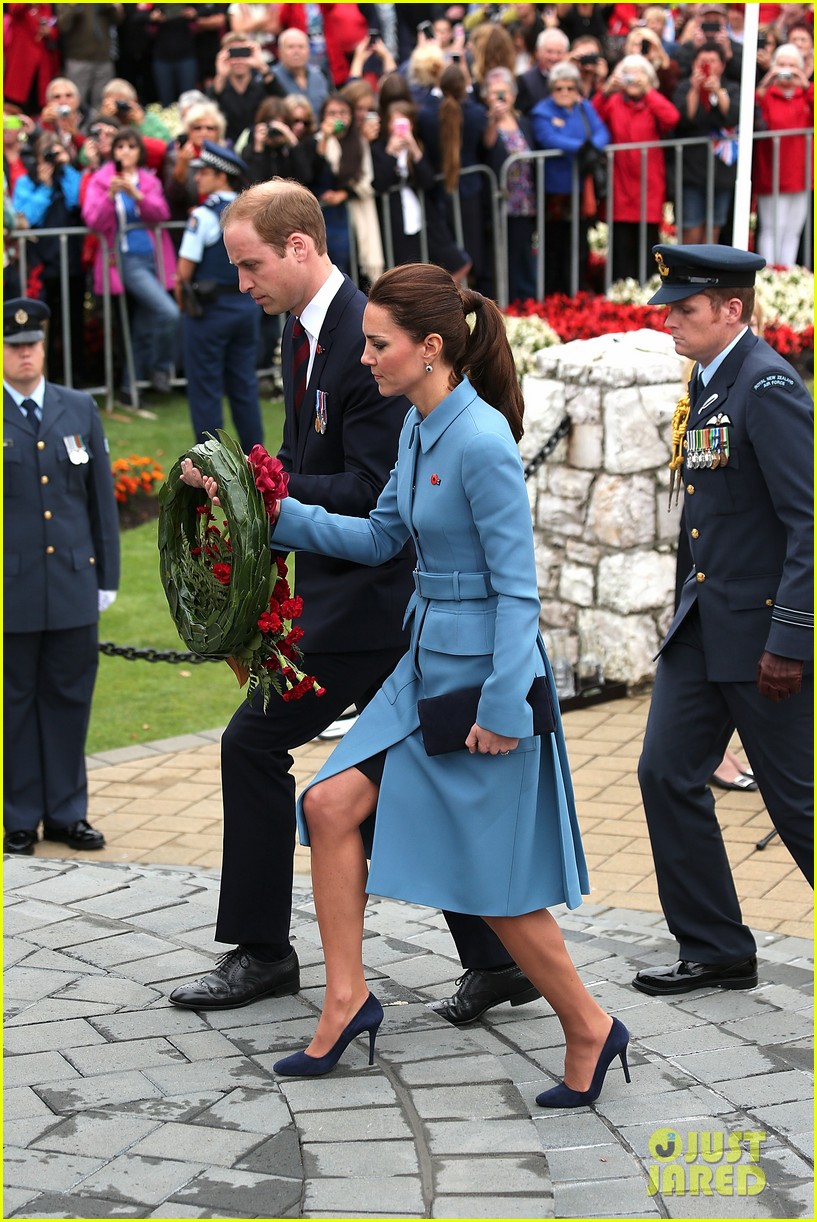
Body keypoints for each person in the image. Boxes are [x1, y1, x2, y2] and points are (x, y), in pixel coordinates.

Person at [227, 262, 629, 1105]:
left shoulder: (480, 440)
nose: (365, 359)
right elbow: (379, 539)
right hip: (422, 665)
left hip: (481, 680)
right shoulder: (417, 426)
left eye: (378, 345)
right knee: (329, 804)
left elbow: (519, 590)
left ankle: (589, 1025)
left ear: (430, 348)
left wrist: (501, 705)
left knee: (493, 886)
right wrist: (270, 513)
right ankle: (346, 1001)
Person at [169, 180, 536, 1027]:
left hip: (378, 617)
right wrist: (258, 501)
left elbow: (381, 506)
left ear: (300, 246)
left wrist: (259, 489)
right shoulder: (313, 336)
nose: (242, 282)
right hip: (360, 606)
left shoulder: (375, 343)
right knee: (411, 781)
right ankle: (494, 961)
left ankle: (265, 952)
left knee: (258, 747)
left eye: (250, 263)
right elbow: (369, 509)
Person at [634, 244, 813, 998]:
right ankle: (714, 947)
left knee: (797, 803)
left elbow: (806, 520)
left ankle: (714, 945)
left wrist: (791, 639)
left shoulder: (765, 385)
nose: (670, 319)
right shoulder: (712, 380)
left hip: (764, 636)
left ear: (730, 310)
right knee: (664, 772)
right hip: (705, 626)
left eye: (685, 308)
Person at [3, 297, 119, 855]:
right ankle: (21, 816)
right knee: (15, 702)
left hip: (73, 581)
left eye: (31, 345)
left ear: (45, 347)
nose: (24, 354)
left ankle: (68, 813)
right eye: (13, 346)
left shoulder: (78, 408)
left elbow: (100, 501)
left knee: (71, 699)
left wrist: (107, 574)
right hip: (12, 587)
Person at [174, 140, 262, 452]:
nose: (197, 177)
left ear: (221, 176)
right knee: (244, 386)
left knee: (205, 389)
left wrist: (185, 306)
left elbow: (183, 272)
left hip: (209, 312)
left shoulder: (205, 215)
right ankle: (259, 461)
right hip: (245, 305)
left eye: (204, 172)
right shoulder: (250, 214)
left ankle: (211, 461)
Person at [81, 126, 179, 406]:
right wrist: (110, 196)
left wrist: (136, 194)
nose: (125, 151)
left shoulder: (148, 180)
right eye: (120, 147)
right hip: (125, 259)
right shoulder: (101, 180)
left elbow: (160, 214)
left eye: (131, 146)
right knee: (168, 311)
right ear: (113, 152)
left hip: (155, 258)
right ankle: (159, 369)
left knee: (144, 325)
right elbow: (93, 221)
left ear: (139, 152)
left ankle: (129, 387)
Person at [592, 54, 680, 284]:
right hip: (620, 181)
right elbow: (591, 119)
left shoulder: (652, 103)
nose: (632, 78)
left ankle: (648, 287)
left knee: (648, 240)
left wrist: (648, 92)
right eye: (628, 72)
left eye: (639, 73)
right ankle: (620, 287)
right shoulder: (613, 102)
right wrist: (606, 91)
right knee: (621, 239)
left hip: (648, 182)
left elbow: (672, 117)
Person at [530, 61, 610, 295]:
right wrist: (581, 147)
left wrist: (591, 146)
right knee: (554, 243)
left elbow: (602, 131)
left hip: (581, 189)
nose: (565, 93)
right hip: (555, 191)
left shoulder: (584, 107)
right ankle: (553, 292)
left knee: (579, 241)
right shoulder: (542, 111)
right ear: (551, 89)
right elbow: (547, 138)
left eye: (570, 88)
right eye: (559, 88)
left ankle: (575, 287)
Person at [672, 43, 740, 245]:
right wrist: (695, 90)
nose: (707, 65)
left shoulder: (732, 88)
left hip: (721, 173)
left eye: (712, 61)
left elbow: (734, 116)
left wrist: (718, 91)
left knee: (714, 229)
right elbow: (683, 119)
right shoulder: (684, 87)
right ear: (694, 64)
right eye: (703, 61)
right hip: (691, 172)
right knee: (691, 228)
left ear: (722, 65)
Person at [754, 43, 814, 269]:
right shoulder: (766, 95)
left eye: (792, 65)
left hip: (802, 173)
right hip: (772, 172)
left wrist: (806, 83)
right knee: (771, 227)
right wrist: (766, 81)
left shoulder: (807, 94)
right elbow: (753, 108)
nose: (786, 70)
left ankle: (786, 272)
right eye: (781, 64)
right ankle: (769, 272)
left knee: (793, 229)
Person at [515, 27, 570, 113]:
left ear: (566, 54)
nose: (554, 57)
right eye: (549, 52)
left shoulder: (573, 78)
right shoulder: (525, 81)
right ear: (538, 52)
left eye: (559, 52)